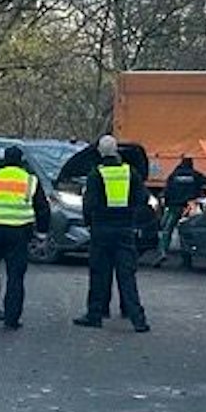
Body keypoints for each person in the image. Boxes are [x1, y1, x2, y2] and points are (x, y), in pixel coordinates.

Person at [0, 143, 51, 330]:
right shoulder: (30, 180)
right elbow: (43, 209)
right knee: (15, 277)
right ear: (21, 161)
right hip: (19, 232)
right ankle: (11, 320)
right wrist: (41, 234)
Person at [74, 135, 151, 333]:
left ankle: (95, 315)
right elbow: (142, 198)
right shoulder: (129, 172)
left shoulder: (96, 174)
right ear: (116, 151)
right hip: (124, 229)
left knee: (99, 274)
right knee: (127, 276)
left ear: (100, 152)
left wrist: (89, 224)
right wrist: (131, 216)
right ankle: (137, 319)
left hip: (101, 229)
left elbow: (88, 204)